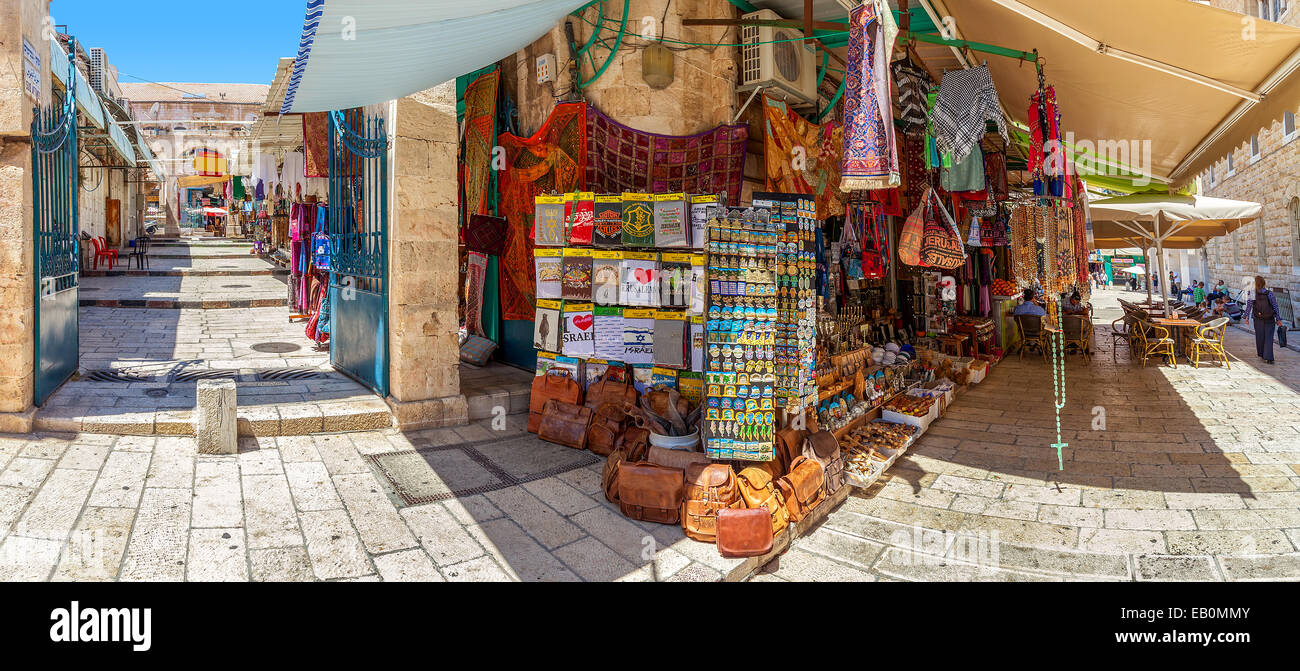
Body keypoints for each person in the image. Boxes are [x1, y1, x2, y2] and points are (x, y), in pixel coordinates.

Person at [1244, 276, 1282, 364]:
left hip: (1258, 318)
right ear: (1264, 283)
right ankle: (1268, 357)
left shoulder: (1252, 293)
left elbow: (1249, 305)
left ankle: (1261, 353)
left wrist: (1246, 317)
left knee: (1260, 336)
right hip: (1270, 318)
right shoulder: (1269, 293)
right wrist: (1278, 318)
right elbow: (1275, 306)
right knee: (1269, 337)